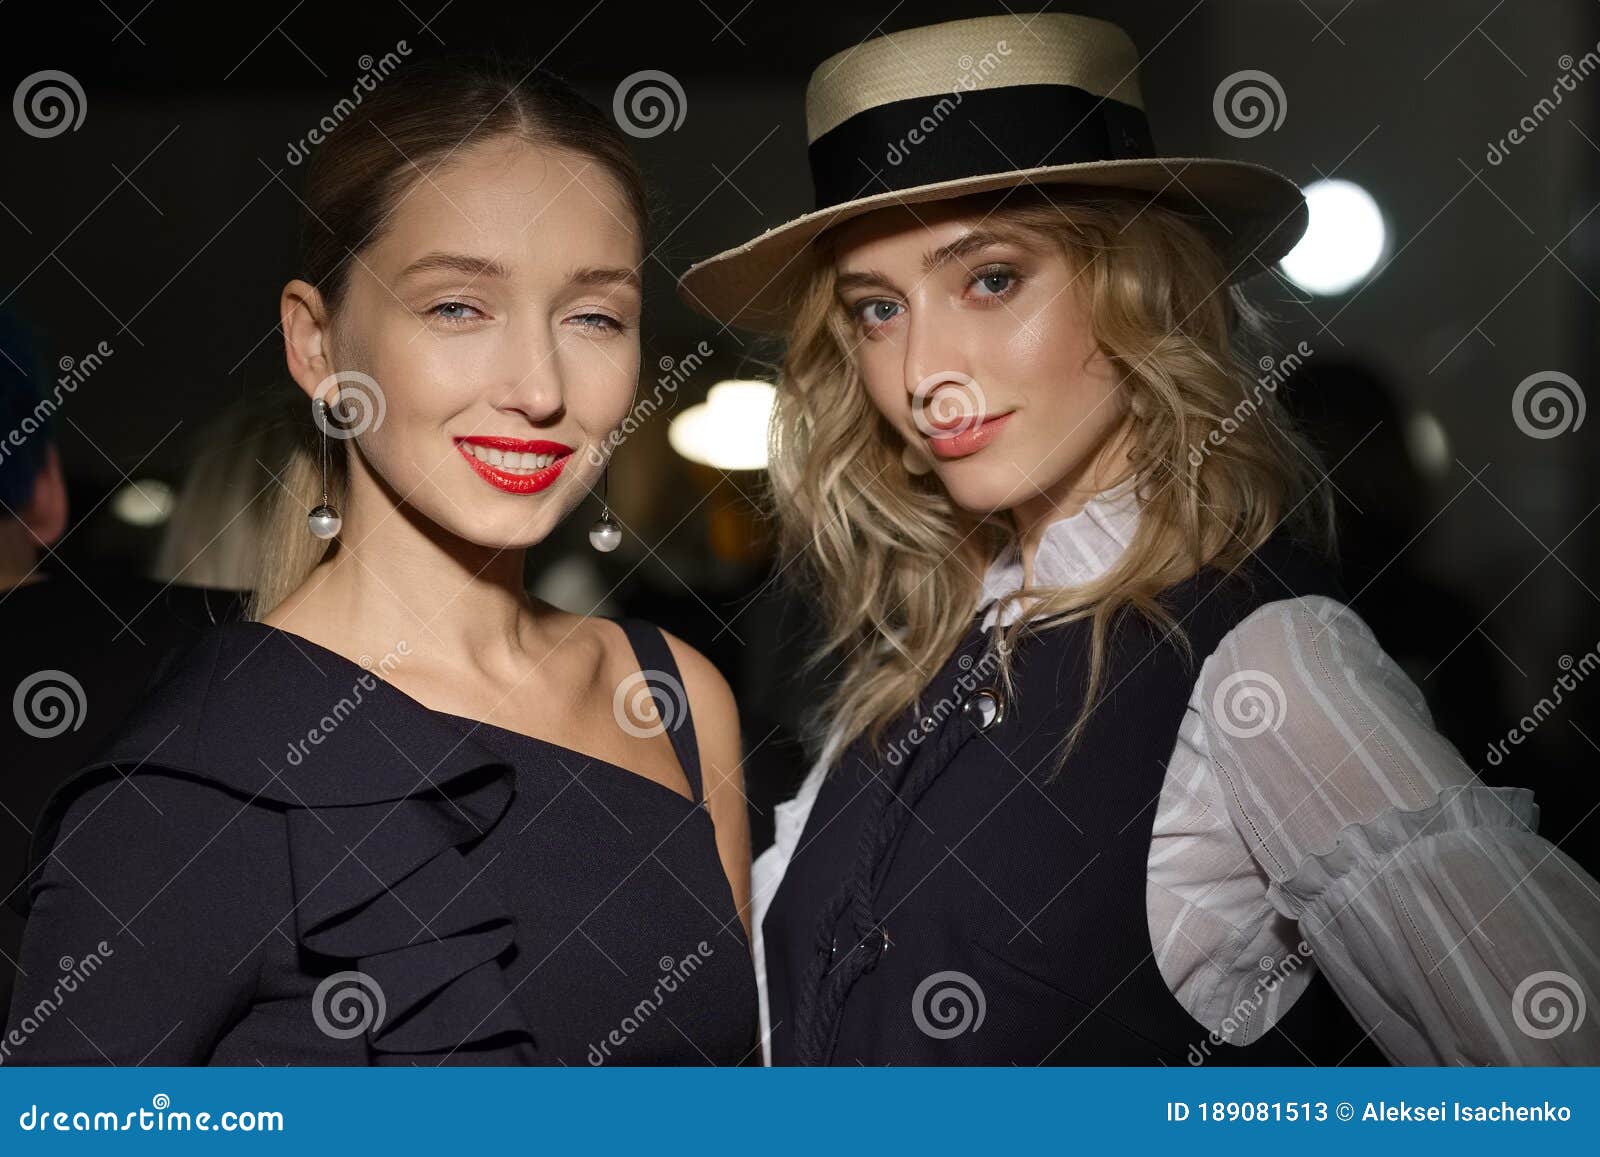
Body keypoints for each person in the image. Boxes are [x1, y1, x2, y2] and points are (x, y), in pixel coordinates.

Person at [677, 12, 1600, 1065]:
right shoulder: (909, 669)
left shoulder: (1266, 662)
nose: (922, 367)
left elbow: (1559, 1063)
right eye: (878, 308)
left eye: (990, 278)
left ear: (1139, 285)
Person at [4, 57, 758, 1066]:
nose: (537, 385)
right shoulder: (195, 781)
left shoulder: (672, 694)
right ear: (316, 345)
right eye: (457, 306)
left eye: (593, 316)